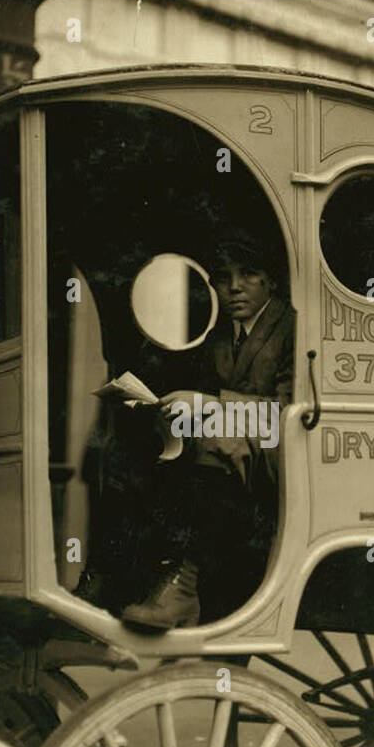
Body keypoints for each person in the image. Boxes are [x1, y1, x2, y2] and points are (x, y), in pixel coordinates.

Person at [118, 236, 295, 628]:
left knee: (214, 439)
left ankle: (185, 586)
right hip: (241, 441)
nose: (233, 287)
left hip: (286, 448)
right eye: (224, 277)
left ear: (272, 283)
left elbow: (289, 412)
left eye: (248, 274)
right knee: (141, 438)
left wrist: (210, 405)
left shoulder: (293, 328)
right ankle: (135, 574)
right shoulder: (218, 337)